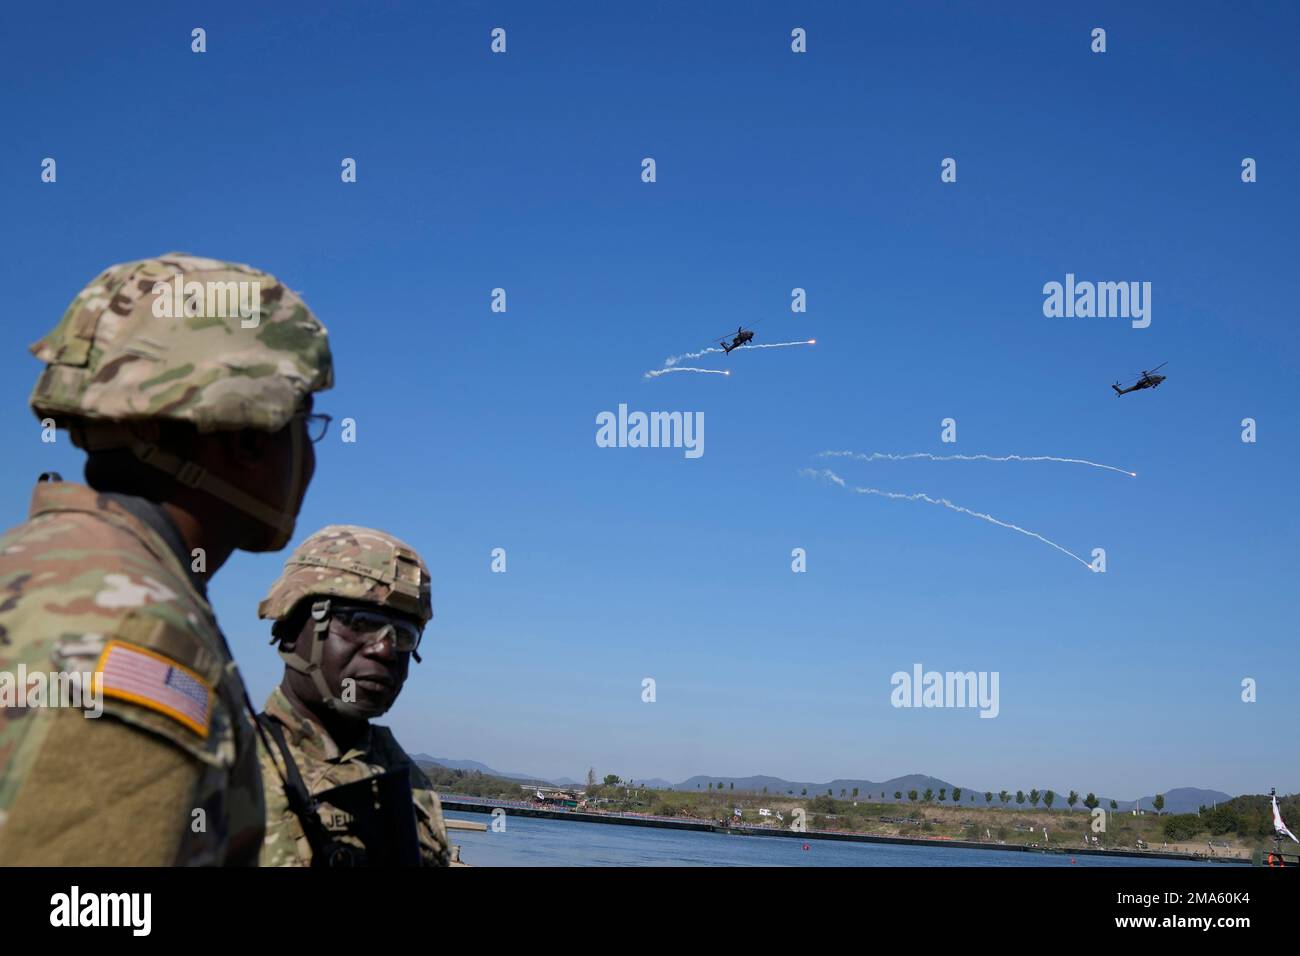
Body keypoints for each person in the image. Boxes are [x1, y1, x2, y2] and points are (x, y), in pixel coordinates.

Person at [0, 253, 333, 865]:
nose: (310, 459)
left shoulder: (42, 567)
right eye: (305, 425)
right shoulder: (135, 629)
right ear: (248, 439)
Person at [255, 525, 453, 866]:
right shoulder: (227, 763)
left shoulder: (406, 780)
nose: (385, 650)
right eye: (360, 623)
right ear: (290, 628)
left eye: (404, 634)